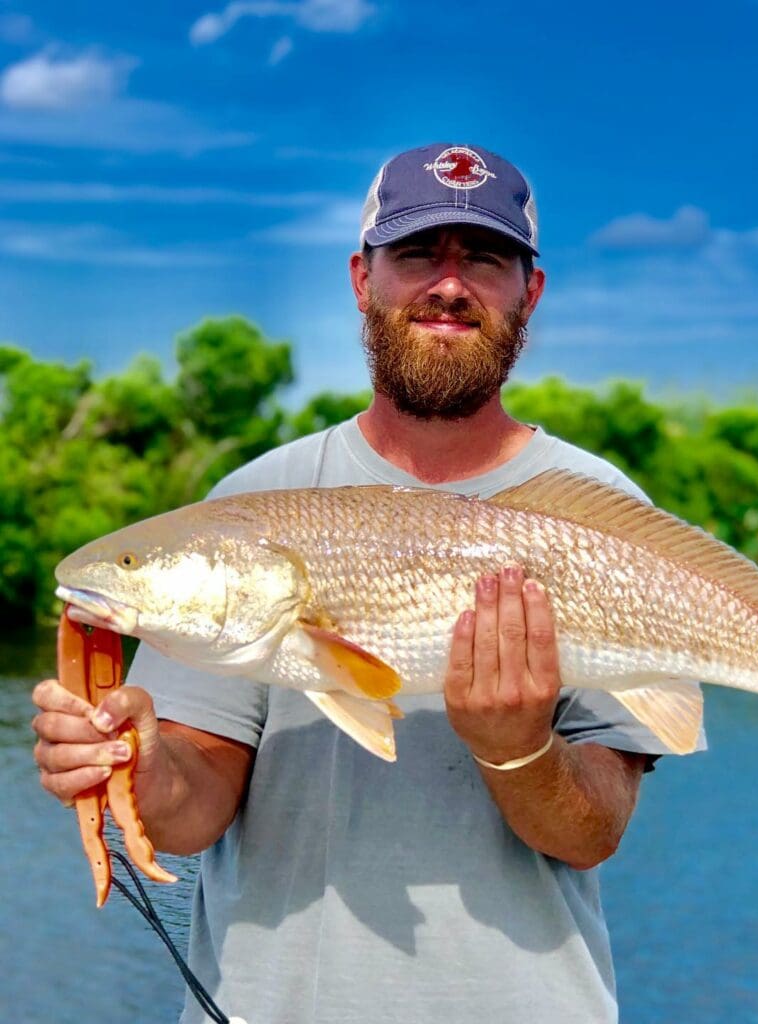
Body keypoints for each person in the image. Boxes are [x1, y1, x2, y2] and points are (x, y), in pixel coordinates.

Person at [32, 143, 703, 1024]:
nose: (449, 286)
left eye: (485, 259)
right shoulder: (252, 500)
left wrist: (517, 747)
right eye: (418, 253)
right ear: (362, 278)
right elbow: (190, 814)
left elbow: (592, 834)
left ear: (530, 292)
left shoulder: (603, 516)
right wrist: (144, 768)